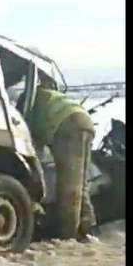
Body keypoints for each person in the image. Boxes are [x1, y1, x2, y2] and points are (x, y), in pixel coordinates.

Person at [26, 82, 97, 240]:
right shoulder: (47, 95)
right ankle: (88, 228)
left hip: (68, 124)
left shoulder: (28, 105)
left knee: (68, 187)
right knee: (80, 183)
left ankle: (67, 238)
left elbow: (32, 148)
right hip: (85, 121)